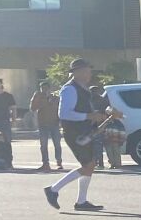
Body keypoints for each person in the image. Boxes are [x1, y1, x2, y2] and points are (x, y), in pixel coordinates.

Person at [44, 58, 112, 211]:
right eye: (86, 70)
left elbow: (94, 105)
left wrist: (104, 113)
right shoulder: (70, 89)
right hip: (74, 132)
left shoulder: (84, 88)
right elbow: (64, 114)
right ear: (77, 72)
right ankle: (53, 189)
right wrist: (89, 116)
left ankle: (81, 201)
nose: (89, 73)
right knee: (88, 165)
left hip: (85, 131)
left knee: (90, 165)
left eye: (89, 70)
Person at [28, 81, 63, 172]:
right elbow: (32, 108)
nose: (44, 90)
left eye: (46, 88)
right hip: (43, 124)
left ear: (49, 89)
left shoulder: (55, 98)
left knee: (57, 144)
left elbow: (59, 109)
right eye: (42, 88)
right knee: (43, 145)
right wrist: (41, 100)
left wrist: (60, 121)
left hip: (54, 124)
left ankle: (59, 162)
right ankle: (45, 163)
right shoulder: (38, 97)